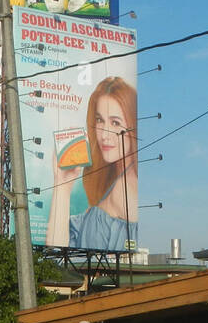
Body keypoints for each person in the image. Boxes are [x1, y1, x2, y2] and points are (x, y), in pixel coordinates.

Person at [45, 77, 138, 251]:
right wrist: (62, 185)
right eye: (99, 120)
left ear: (133, 126)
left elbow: (59, 257)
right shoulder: (108, 184)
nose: (104, 134)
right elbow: (58, 253)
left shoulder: (122, 191)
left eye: (115, 123)